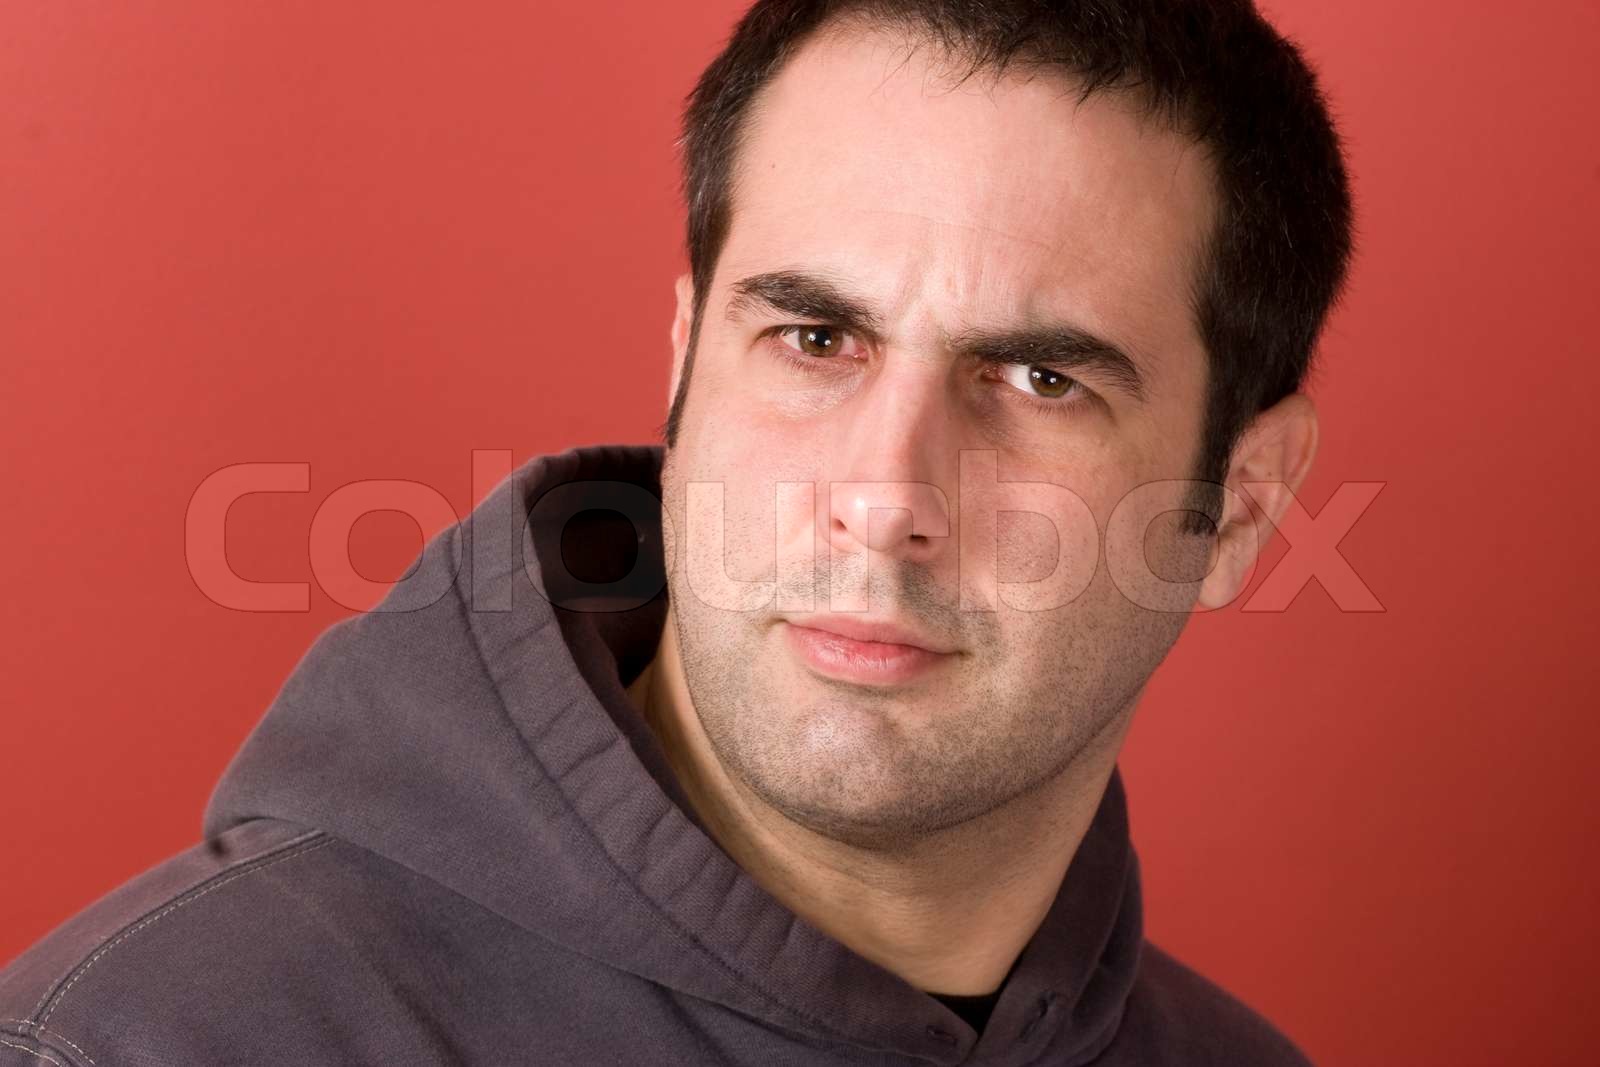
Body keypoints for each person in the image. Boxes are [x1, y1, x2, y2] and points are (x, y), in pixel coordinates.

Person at [0, 1, 1352, 1063]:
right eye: (815, 339)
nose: (885, 498)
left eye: (1040, 381)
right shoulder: (145, 1043)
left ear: (1236, 505)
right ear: (683, 366)